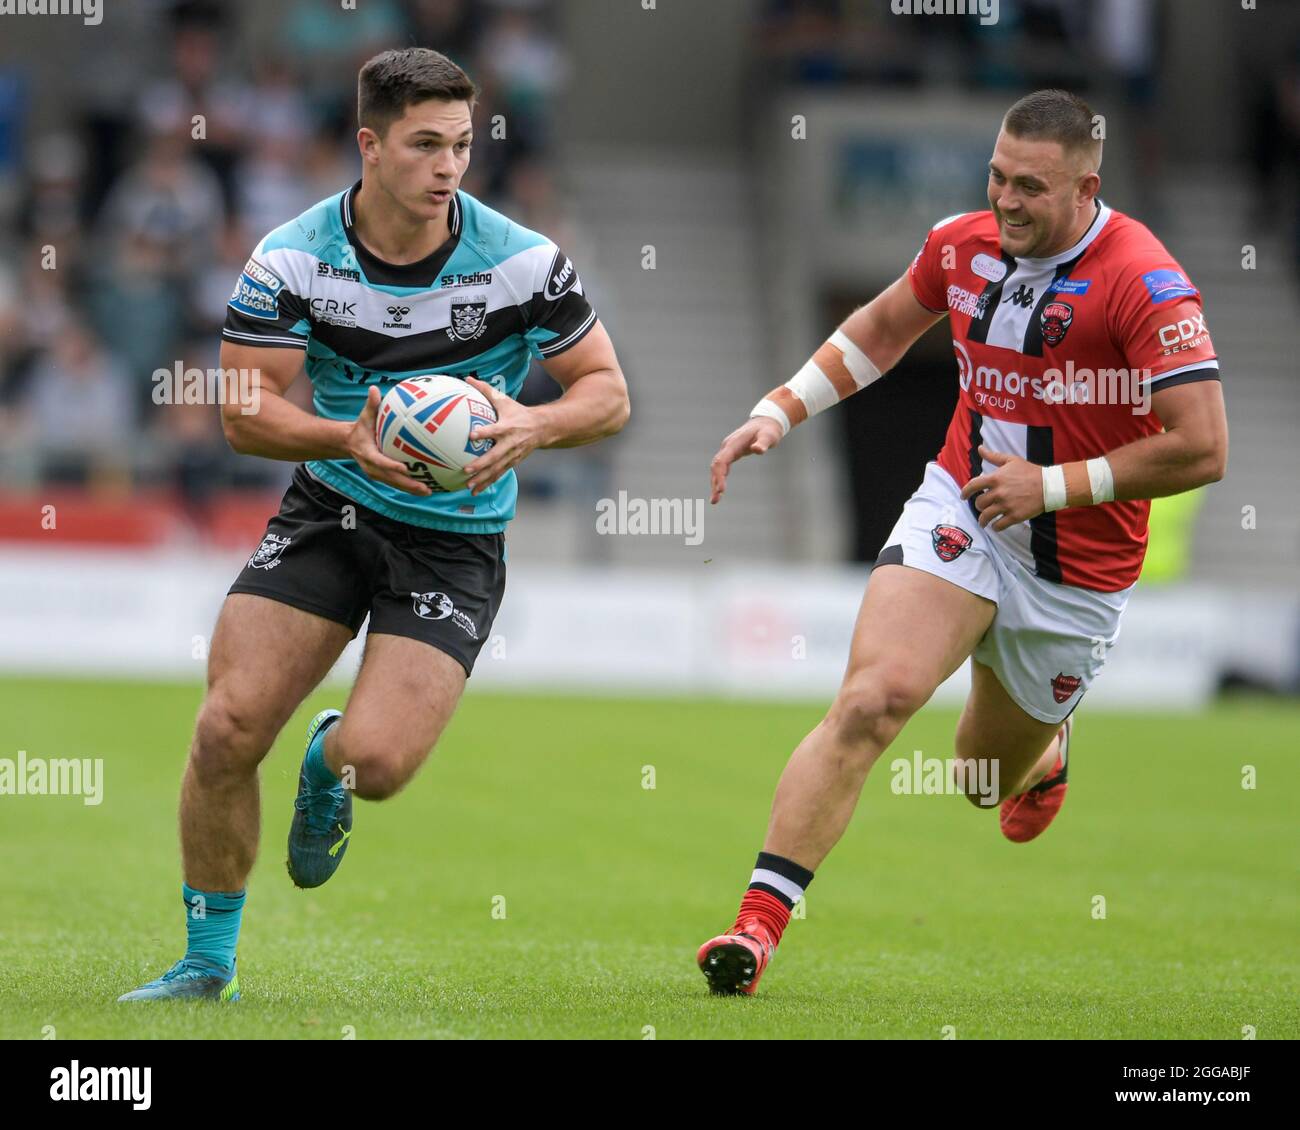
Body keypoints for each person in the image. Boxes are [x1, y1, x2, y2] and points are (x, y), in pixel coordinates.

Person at [119, 47, 629, 1002]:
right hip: (334, 504)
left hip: (456, 538)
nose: (449, 167)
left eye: (464, 145)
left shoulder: (523, 262)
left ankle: (329, 756)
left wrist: (535, 421)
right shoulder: (293, 257)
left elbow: (607, 394)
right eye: (426, 144)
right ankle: (205, 964)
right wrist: (345, 436)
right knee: (227, 727)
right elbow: (242, 410)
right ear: (369, 144)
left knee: (378, 767)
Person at [698, 89, 1227, 996]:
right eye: (997, 176)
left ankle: (1046, 748)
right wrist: (778, 410)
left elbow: (1204, 445)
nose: (1007, 201)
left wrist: (1053, 486)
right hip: (967, 508)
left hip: (1075, 573)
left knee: (982, 784)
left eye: (1031, 186)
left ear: (1085, 186)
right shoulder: (961, 243)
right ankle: (758, 925)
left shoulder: (1146, 282)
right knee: (873, 699)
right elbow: (883, 329)